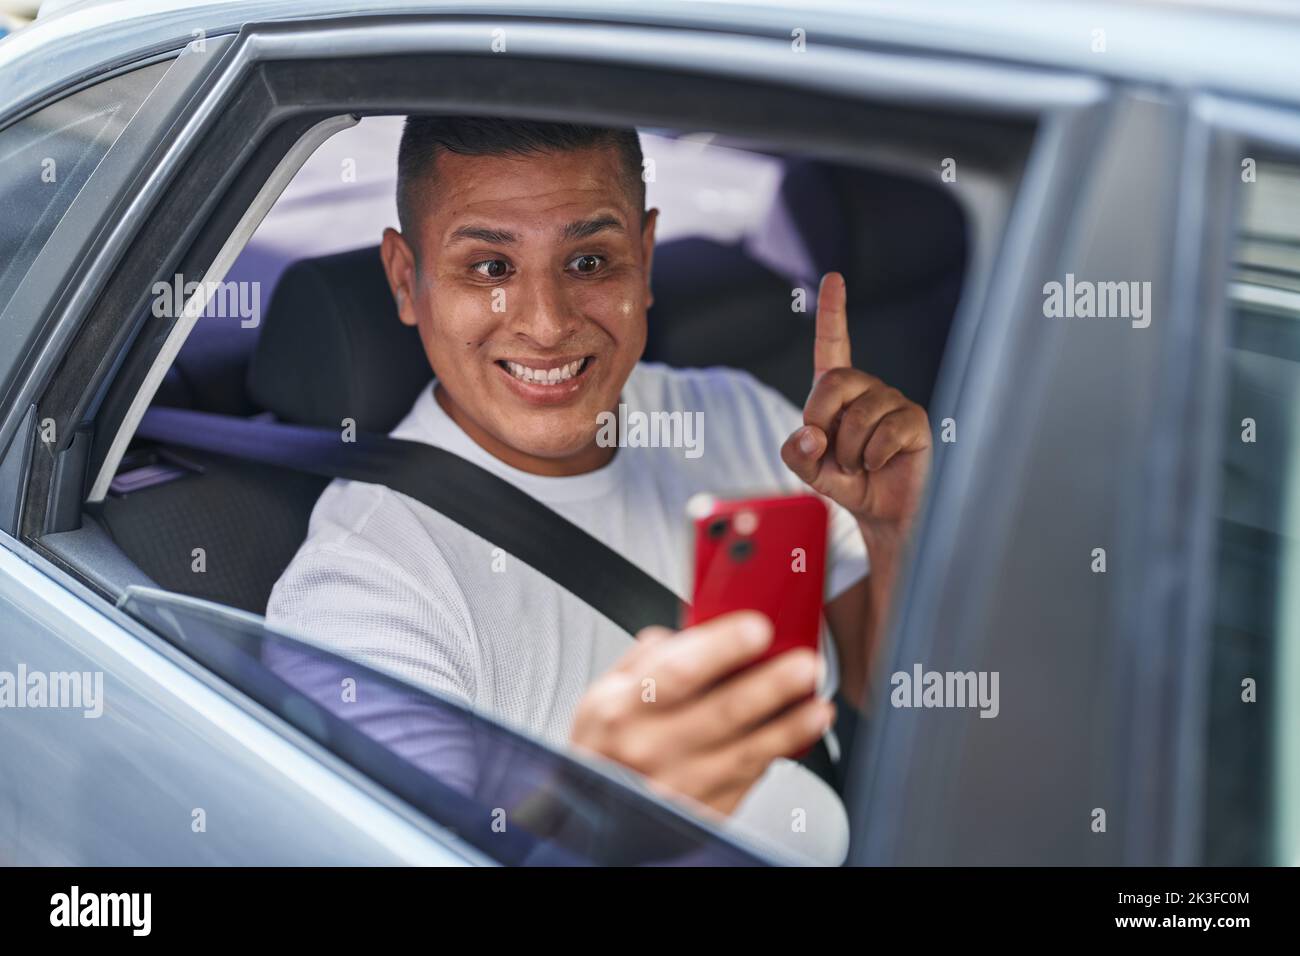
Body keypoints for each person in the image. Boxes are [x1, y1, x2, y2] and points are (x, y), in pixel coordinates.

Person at [265, 116, 931, 864]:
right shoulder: (362, 592)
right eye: (489, 268)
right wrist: (593, 826)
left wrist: (897, 527)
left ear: (644, 260)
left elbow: (886, 689)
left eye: (588, 262)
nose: (546, 324)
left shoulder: (741, 418)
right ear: (404, 280)